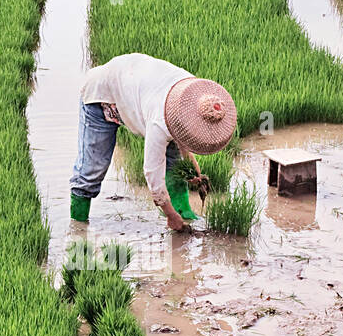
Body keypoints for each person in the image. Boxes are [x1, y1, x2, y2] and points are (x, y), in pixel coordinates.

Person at [69, 52, 237, 231]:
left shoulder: (192, 94)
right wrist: (170, 216)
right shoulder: (160, 122)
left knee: (176, 162)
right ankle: (78, 225)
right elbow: (152, 172)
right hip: (101, 94)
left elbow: (185, 132)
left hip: (135, 85)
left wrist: (190, 162)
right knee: (93, 167)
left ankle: (183, 212)